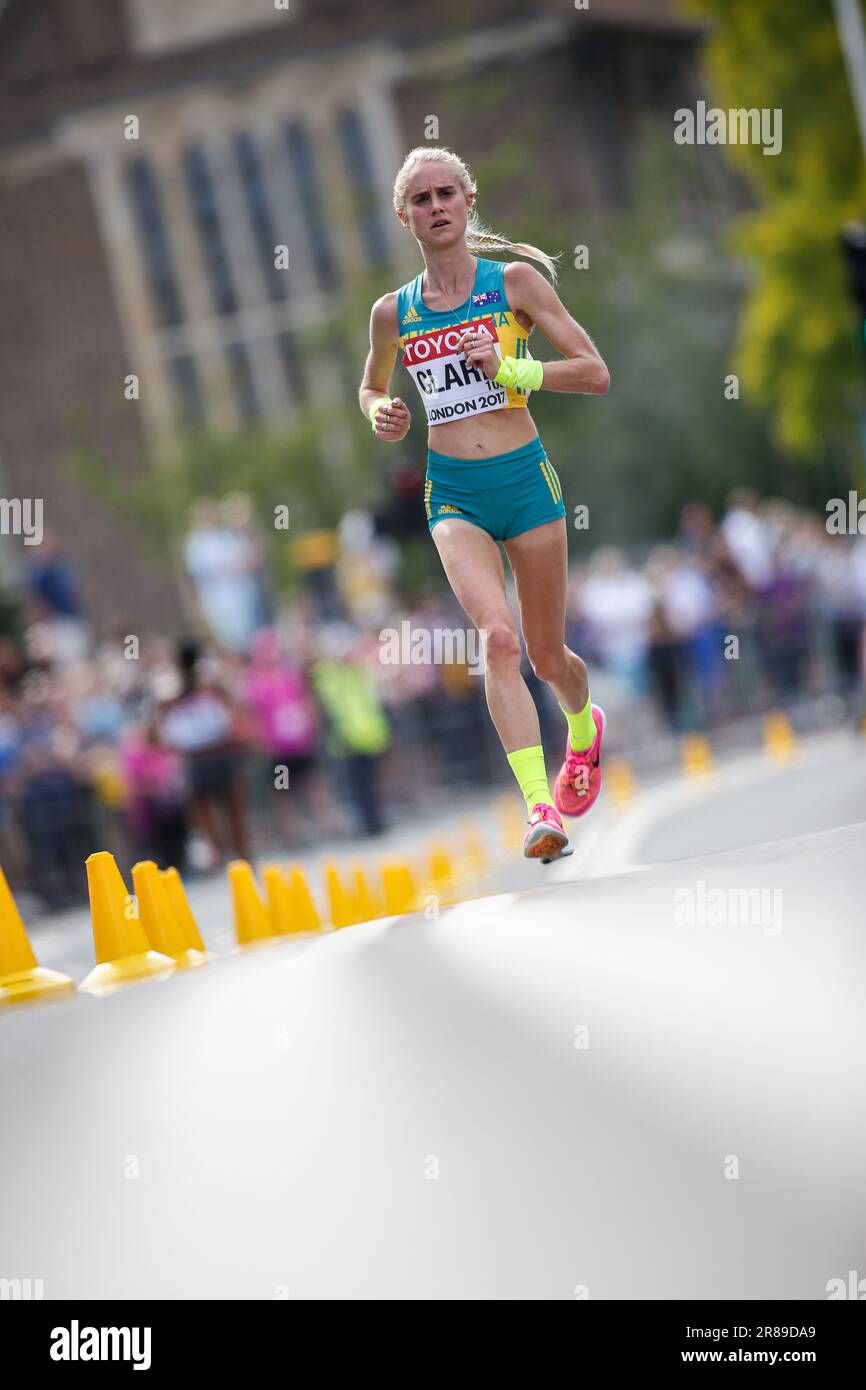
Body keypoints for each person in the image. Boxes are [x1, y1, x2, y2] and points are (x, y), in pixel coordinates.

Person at [358, 146, 610, 862]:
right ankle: (539, 807)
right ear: (403, 216)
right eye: (421, 199)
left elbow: (594, 373)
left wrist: (510, 368)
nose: (435, 207)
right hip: (454, 494)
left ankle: (582, 726)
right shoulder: (393, 312)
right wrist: (379, 411)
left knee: (547, 653)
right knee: (496, 642)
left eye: (446, 194)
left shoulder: (516, 283)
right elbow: (371, 386)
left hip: (526, 482)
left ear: (468, 203)